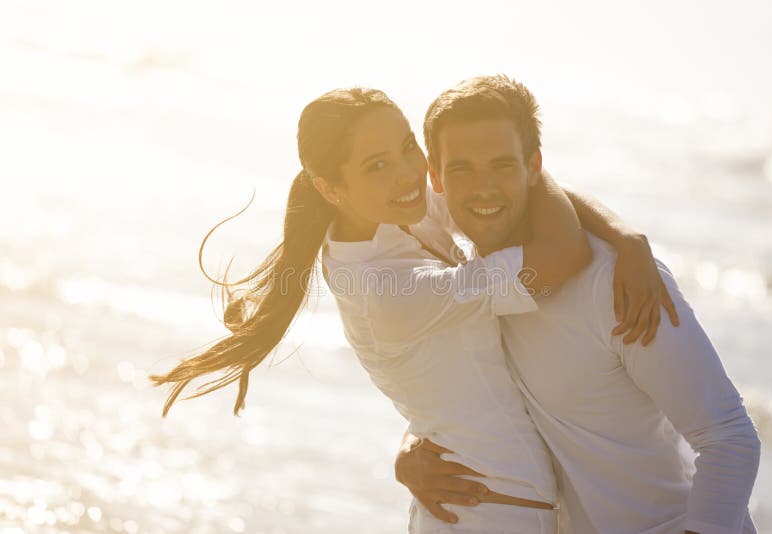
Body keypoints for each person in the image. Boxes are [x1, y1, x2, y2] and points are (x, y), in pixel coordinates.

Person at [150, 86, 674, 532]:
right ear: (330, 187)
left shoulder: (399, 213)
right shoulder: (386, 289)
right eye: (378, 165)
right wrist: (611, 233)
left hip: (496, 505)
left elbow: (514, 189)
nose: (407, 174)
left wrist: (626, 234)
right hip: (489, 512)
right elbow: (560, 253)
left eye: (407, 149)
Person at [395, 74, 761, 533]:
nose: (483, 188)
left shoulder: (616, 283)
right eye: (462, 168)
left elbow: (729, 437)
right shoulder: (472, 289)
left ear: (534, 167)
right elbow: (478, 401)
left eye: (503, 166)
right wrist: (410, 449)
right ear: (436, 177)